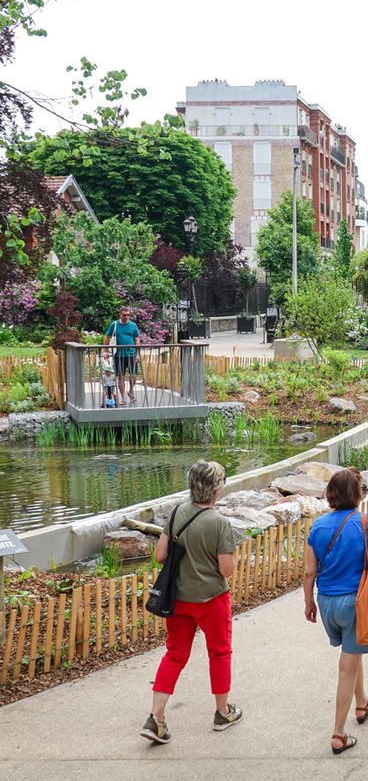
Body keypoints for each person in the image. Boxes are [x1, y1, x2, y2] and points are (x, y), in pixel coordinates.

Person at [141, 460, 241, 744]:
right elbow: (226, 569)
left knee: (174, 654)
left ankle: (156, 717)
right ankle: (222, 712)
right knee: (219, 653)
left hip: (178, 600)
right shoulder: (220, 523)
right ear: (217, 491)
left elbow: (160, 556)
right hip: (211, 599)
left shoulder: (176, 514)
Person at [304, 468, 368, 756]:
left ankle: (363, 703)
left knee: (353, 653)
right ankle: (339, 734)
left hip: (327, 602)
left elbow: (308, 572)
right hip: (356, 603)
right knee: (347, 665)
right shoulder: (367, 522)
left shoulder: (318, 526)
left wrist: (309, 602)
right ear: (357, 494)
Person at [103, 306, 141, 405]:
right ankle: (123, 397)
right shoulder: (114, 324)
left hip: (131, 354)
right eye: (124, 315)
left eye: (128, 315)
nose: (126, 317)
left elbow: (137, 338)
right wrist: (105, 351)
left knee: (133, 375)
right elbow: (107, 337)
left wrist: (137, 353)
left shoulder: (133, 325)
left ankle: (131, 391)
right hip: (118, 355)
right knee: (120, 377)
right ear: (120, 314)